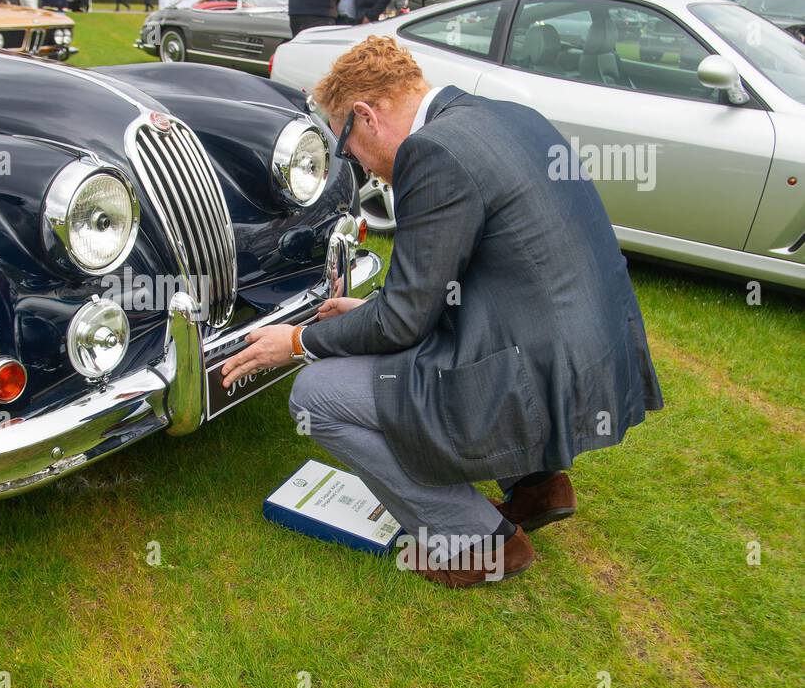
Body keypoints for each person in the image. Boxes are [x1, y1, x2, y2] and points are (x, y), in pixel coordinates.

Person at [218, 37, 663, 588]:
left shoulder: (432, 153)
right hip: (590, 358)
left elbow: (403, 323)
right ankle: (537, 486)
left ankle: (477, 542)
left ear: (366, 116)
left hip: (534, 377)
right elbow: (468, 281)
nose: (358, 165)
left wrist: (296, 342)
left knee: (316, 395)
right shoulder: (508, 116)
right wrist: (372, 309)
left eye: (347, 147)